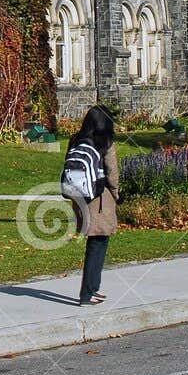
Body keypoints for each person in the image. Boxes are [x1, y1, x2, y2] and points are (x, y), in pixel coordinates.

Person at [64, 106, 118, 306]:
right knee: (97, 244)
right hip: (99, 199)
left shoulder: (75, 140)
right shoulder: (105, 142)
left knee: (95, 243)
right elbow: (112, 172)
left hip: (79, 198)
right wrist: (116, 194)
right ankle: (87, 294)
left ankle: (93, 288)